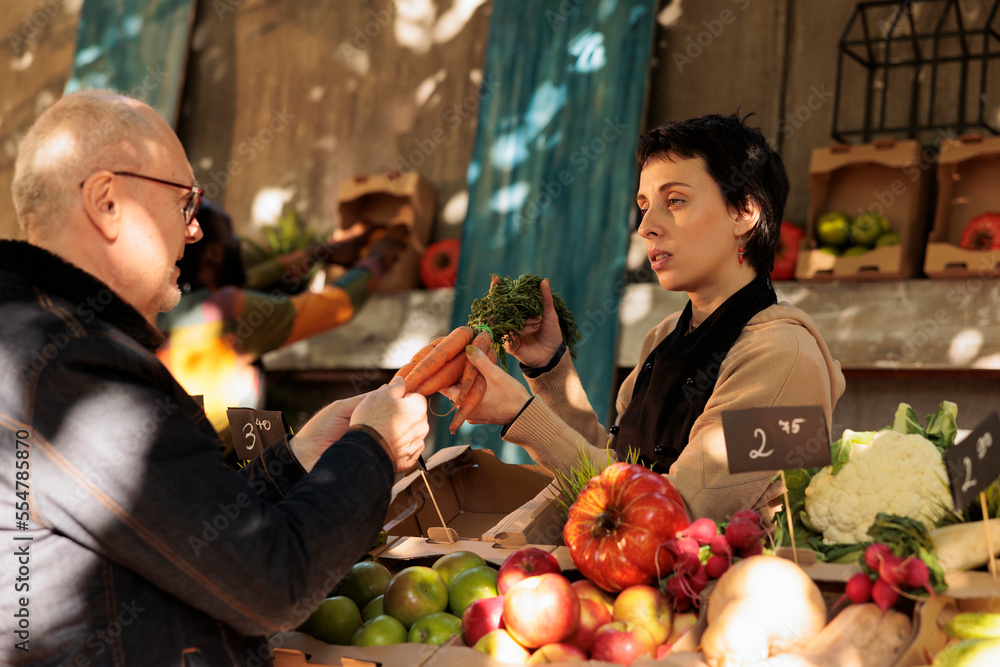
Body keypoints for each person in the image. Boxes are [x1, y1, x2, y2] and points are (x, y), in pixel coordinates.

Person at [1, 90, 428, 666]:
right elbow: (270, 583)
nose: (194, 230)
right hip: (245, 432)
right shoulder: (75, 369)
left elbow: (181, 529)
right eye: (183, 202)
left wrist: (296, 458)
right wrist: (374, 448)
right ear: (106, 202)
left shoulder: (37, 335)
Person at [448, 112, 846, 521]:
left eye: (674, 201)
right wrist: (548, 366)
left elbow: (681, 510)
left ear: (744, 212)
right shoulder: (665, 336)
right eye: (644, 206)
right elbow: (616, 472)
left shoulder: (788, 360)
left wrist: (521, 416)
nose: (646, 227)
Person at [156, 198, 407, 460]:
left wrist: (324, 252)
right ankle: (264, 477)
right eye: (230, 233)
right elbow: (334, 306)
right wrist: (376, 261)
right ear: (215, 254)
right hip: (216, 464)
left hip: (177, 450)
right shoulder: (226, 310)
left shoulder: (170, 306)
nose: (238, 241)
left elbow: (259, 281)